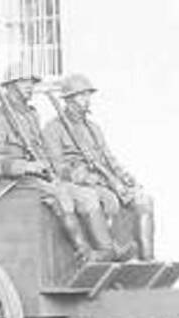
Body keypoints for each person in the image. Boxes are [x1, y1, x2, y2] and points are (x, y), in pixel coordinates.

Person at [0, 63, 133, 263]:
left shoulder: (30, 115)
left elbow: (40, 150)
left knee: (86, 195)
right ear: (9, 86)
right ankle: (84, 252)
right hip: (11, 184)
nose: (30, 86)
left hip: (36, 180)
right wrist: (24, 167)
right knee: (61, 194)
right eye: (24, 81)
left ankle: (106, 250)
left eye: (31, 82)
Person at [43, 72, 156, 260]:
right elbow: (58, 168)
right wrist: (87, 178)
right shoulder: (53, 128)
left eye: (88, 95)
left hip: (103, 181)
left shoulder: (93, 128)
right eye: (81, 95)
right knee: (93, 198)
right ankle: (106, 252)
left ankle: (147, 260)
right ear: (68, 99)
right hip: (79, 184)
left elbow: (109, 159)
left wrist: (125, 178)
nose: (86, 100)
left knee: (144, 200)